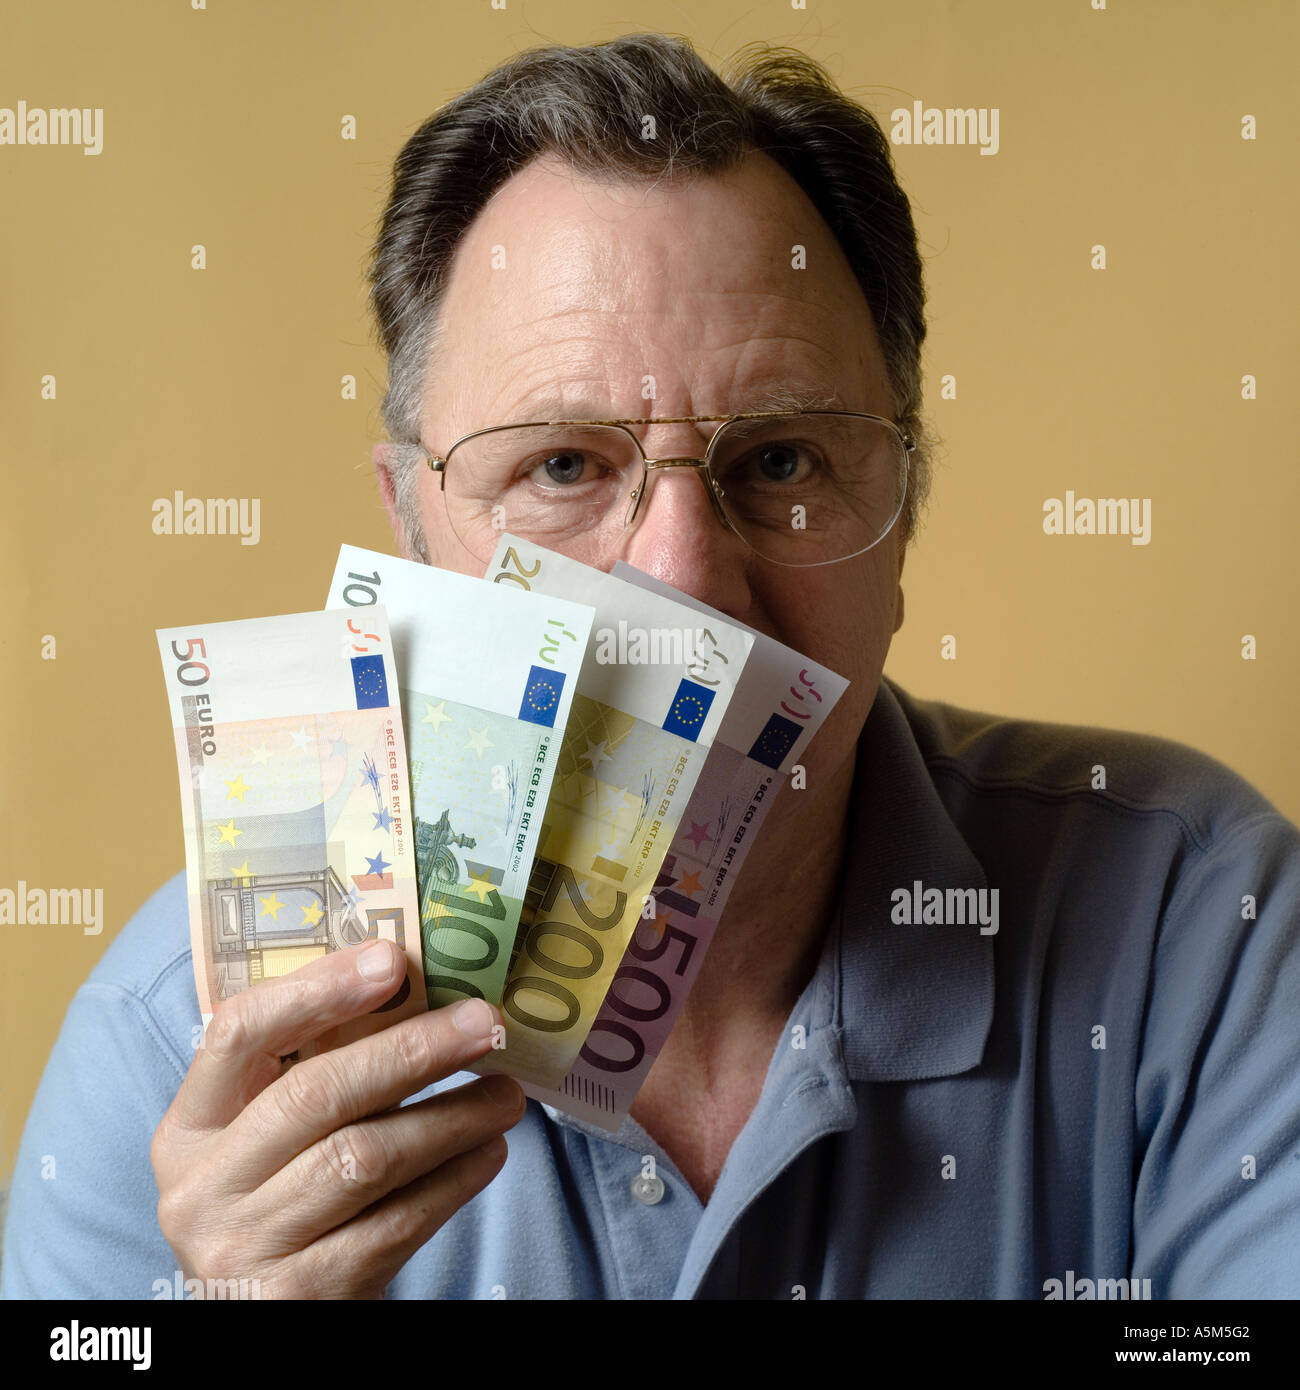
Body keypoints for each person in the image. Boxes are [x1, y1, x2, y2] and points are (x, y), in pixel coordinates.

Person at [4, 33, 1298, 1301]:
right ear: (411, 526)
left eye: (783, 457)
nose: (683, 578)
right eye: (562, 465)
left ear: (904, 510)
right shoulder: (176, 1049)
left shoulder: (1199, 927)